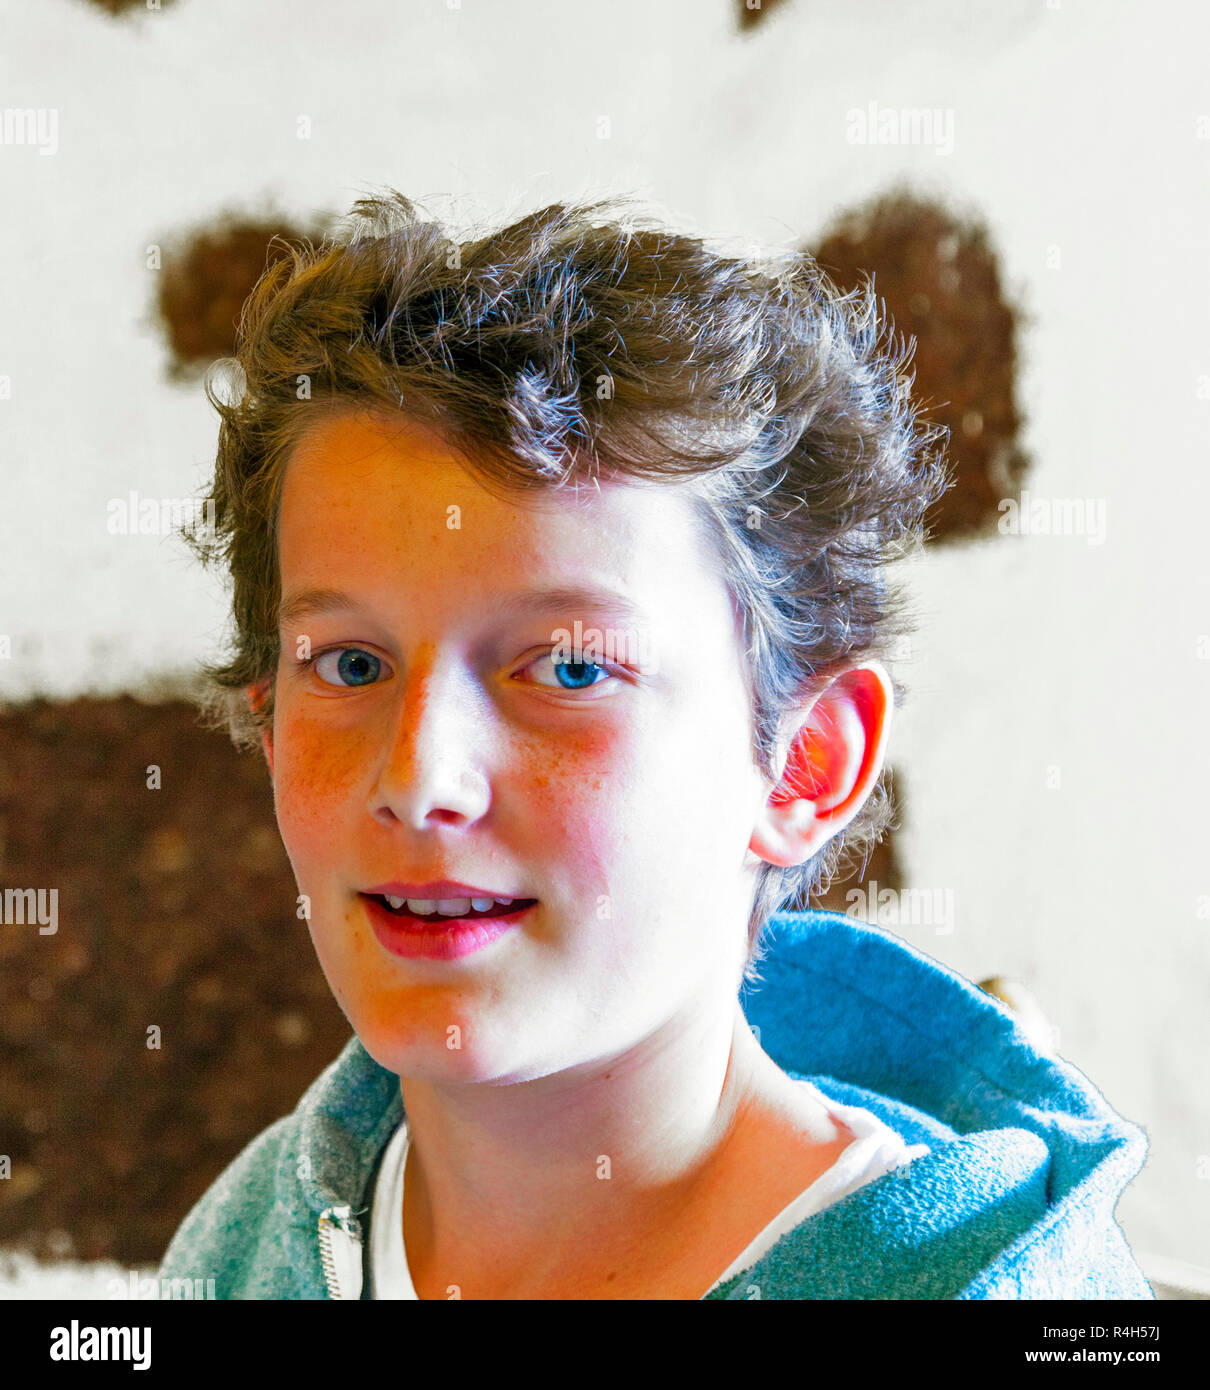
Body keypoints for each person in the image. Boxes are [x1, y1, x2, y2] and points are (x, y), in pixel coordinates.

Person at [158, 189, 1152, 1299]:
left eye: (572, 668)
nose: (420, 780)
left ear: (805, 761)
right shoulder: (242, 1245)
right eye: (349, 664)